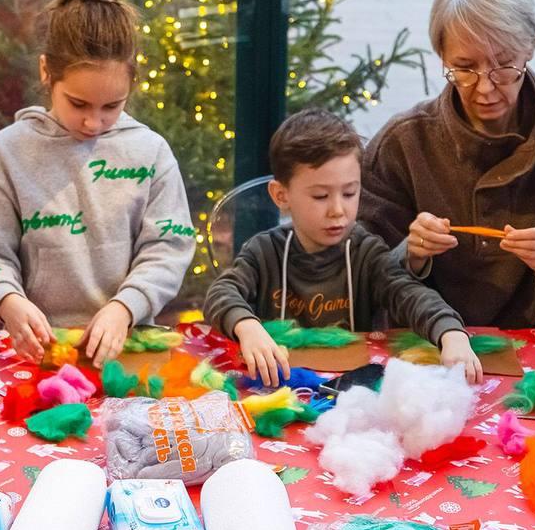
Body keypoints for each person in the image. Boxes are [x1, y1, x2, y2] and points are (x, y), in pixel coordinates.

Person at [0, 0, 194, 364]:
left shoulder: (151, 152)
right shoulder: (6, 153)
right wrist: (8, 300)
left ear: (132, 83)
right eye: (78, 104)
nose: (93, 122)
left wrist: (126, 307)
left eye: (111, 106)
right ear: (46, 72)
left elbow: (168, 248)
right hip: (36, 352)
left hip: (128, 347)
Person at [359, 0, 535, 328]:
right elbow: (360, 278)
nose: (484, 88)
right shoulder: (401, 145)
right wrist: (410, 254)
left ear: (531, 46)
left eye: (504, 65)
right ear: (441, 55)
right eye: (464, 68)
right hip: (423, 346)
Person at [204, 109, 482, 386]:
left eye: (349, 193)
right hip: (280, 388)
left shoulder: (367, 253)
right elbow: (222, 292)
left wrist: (451, 333)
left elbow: (411, 295)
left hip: (352, 393)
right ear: (281, 195)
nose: (338, 210)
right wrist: (247, 327)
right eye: (320, 196)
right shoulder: (264, 252)